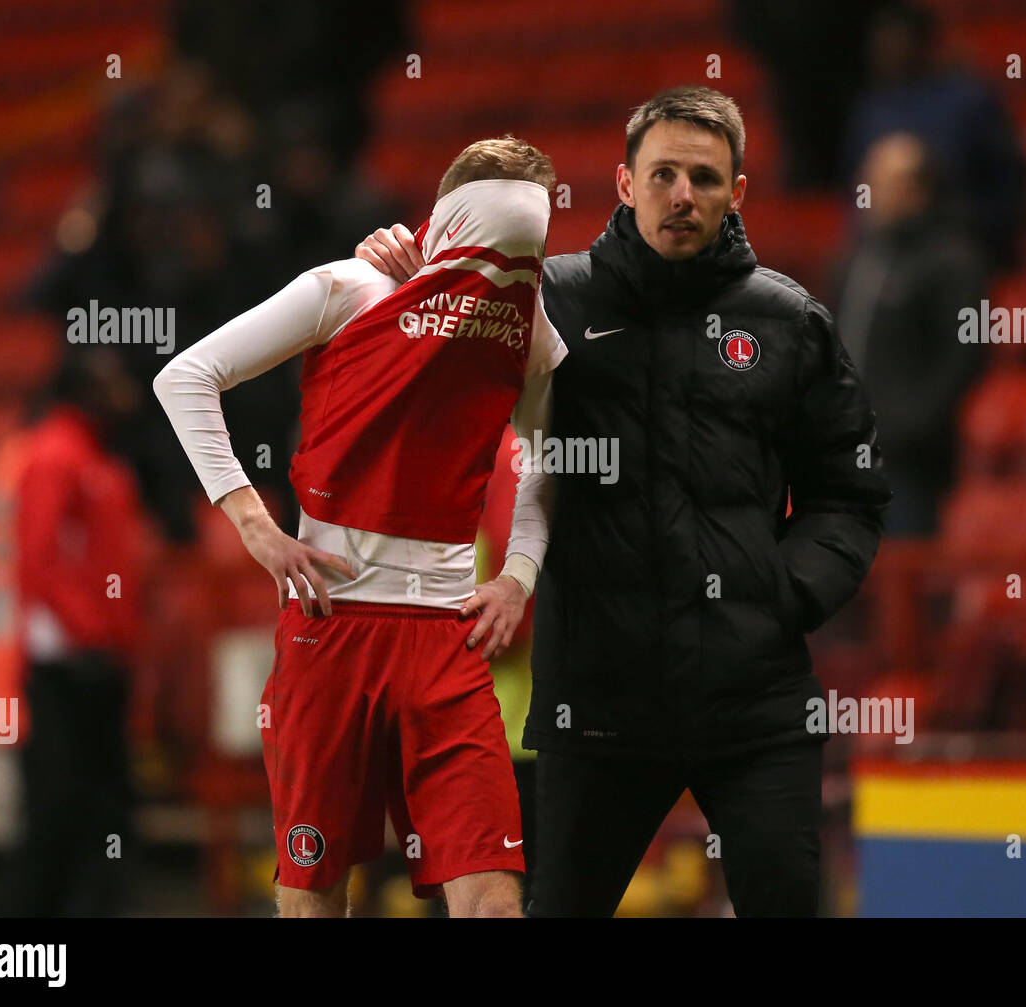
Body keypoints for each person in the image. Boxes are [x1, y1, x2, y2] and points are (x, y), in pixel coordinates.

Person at [357, 87, 891, 917]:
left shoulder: (789, 322)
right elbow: (434, 372)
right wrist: (395, 279)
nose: (683, 194)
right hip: (598, 705)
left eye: (706, 178)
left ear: (737, 192)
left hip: (754, 701)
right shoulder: (552, 301)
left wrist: (782, 596)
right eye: (664, 173)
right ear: (623, 181)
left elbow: (848, 492)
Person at [155, 137, 566, 917]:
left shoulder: (528, 323)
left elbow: (549, 452)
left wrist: (519, 572)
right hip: (331, 624)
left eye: (528, 256)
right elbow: (185, 375)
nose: (512, 271)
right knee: (315, 895)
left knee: (494, 898)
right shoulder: (351, 286)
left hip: (449, 631)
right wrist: (253, 521)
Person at [0, 346, 147, 916]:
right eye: (112, 382)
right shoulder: (56, 455)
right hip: (67, 664)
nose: (125, 393)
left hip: (93, 656)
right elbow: (39, 559)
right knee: (61, 807)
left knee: (97, 808)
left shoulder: (92, 456)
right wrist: (90, 636)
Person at [832, 132, 985, 535]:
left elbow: (965, 356)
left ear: (918, 192)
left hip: (909, 463)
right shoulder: (856, 259)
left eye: (884, 182)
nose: (869, 192)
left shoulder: (952, 262)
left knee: (904, 575)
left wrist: (911, 425)